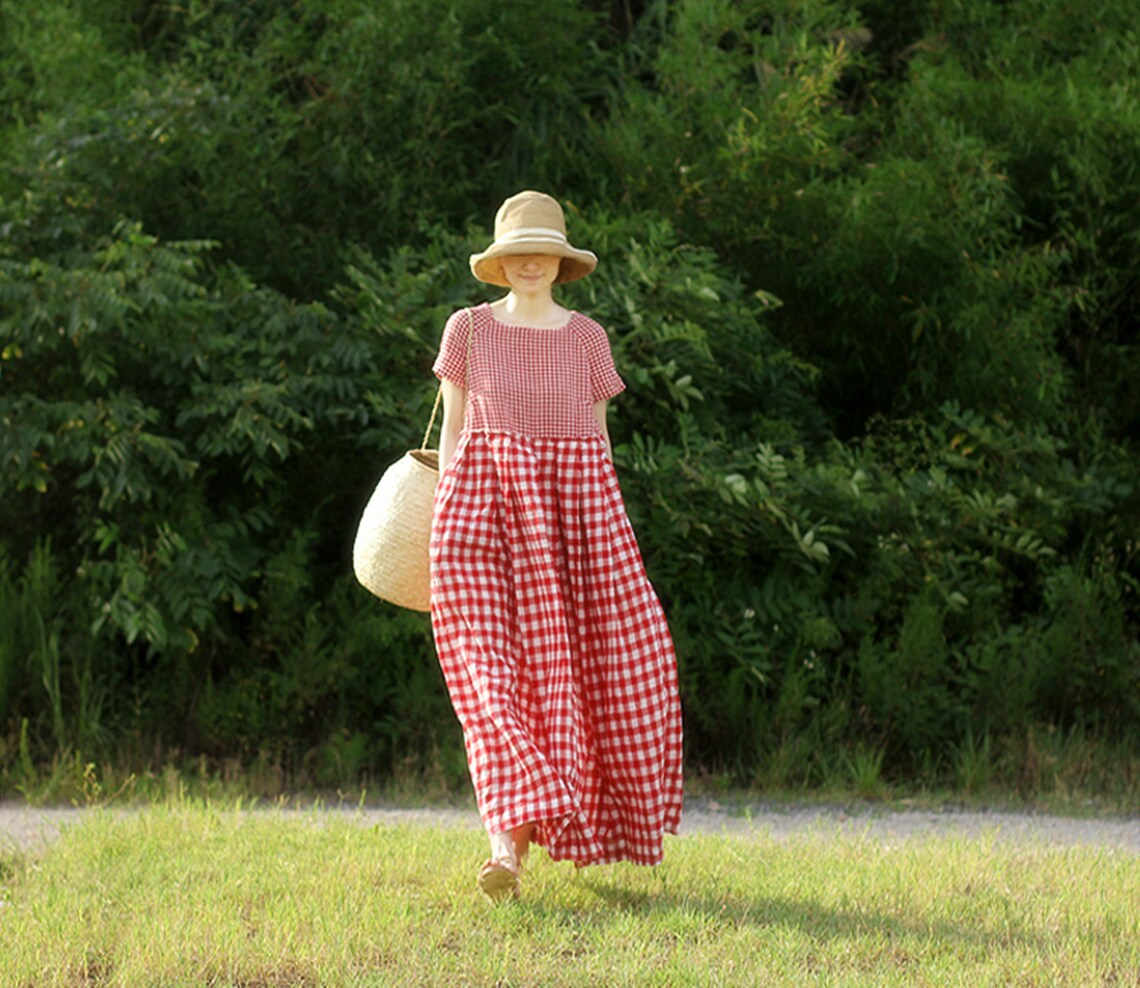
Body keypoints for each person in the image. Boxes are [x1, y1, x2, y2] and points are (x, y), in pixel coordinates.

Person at [429, 190, 683, 902]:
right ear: (500, 261)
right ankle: (503, 850)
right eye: (518, 252)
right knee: (491, 682)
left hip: (573, 527)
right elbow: (453, 432)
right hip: (478, 522)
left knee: (587, 677)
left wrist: (609, 542)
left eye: (542, 251)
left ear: (562, 261)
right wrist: (445, 517)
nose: (530, 262)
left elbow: (598, 446)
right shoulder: (468, 330)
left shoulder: (588, 339)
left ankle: (533, 832)